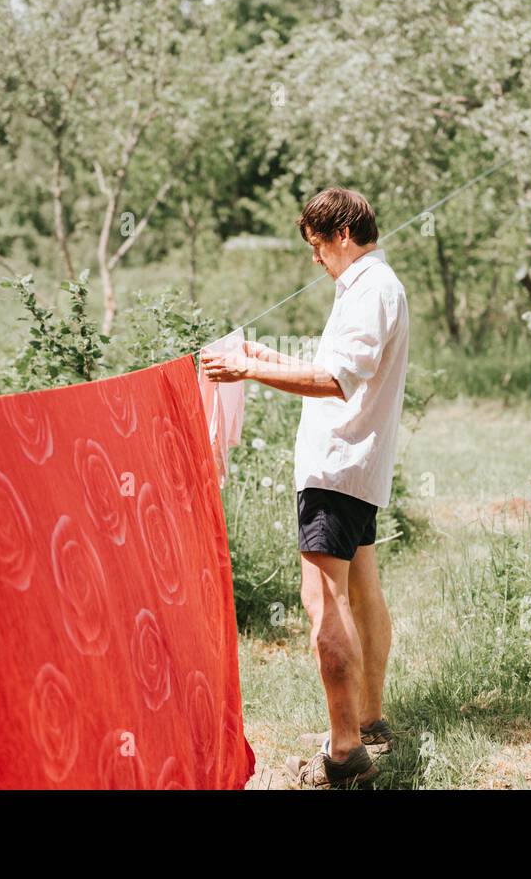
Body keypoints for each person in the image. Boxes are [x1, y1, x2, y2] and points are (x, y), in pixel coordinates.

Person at [203, 187, 409, 788]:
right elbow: (337, 366)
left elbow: (336, 381)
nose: (315, 261)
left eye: (318, 247)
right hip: (357, 469)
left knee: (324, 605)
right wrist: (268, 356)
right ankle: (368, 723)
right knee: (363, 591)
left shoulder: (370, 289)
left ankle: (343, 753)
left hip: (337, 469)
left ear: (342, 235)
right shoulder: (371, 286)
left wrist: (250, 370)